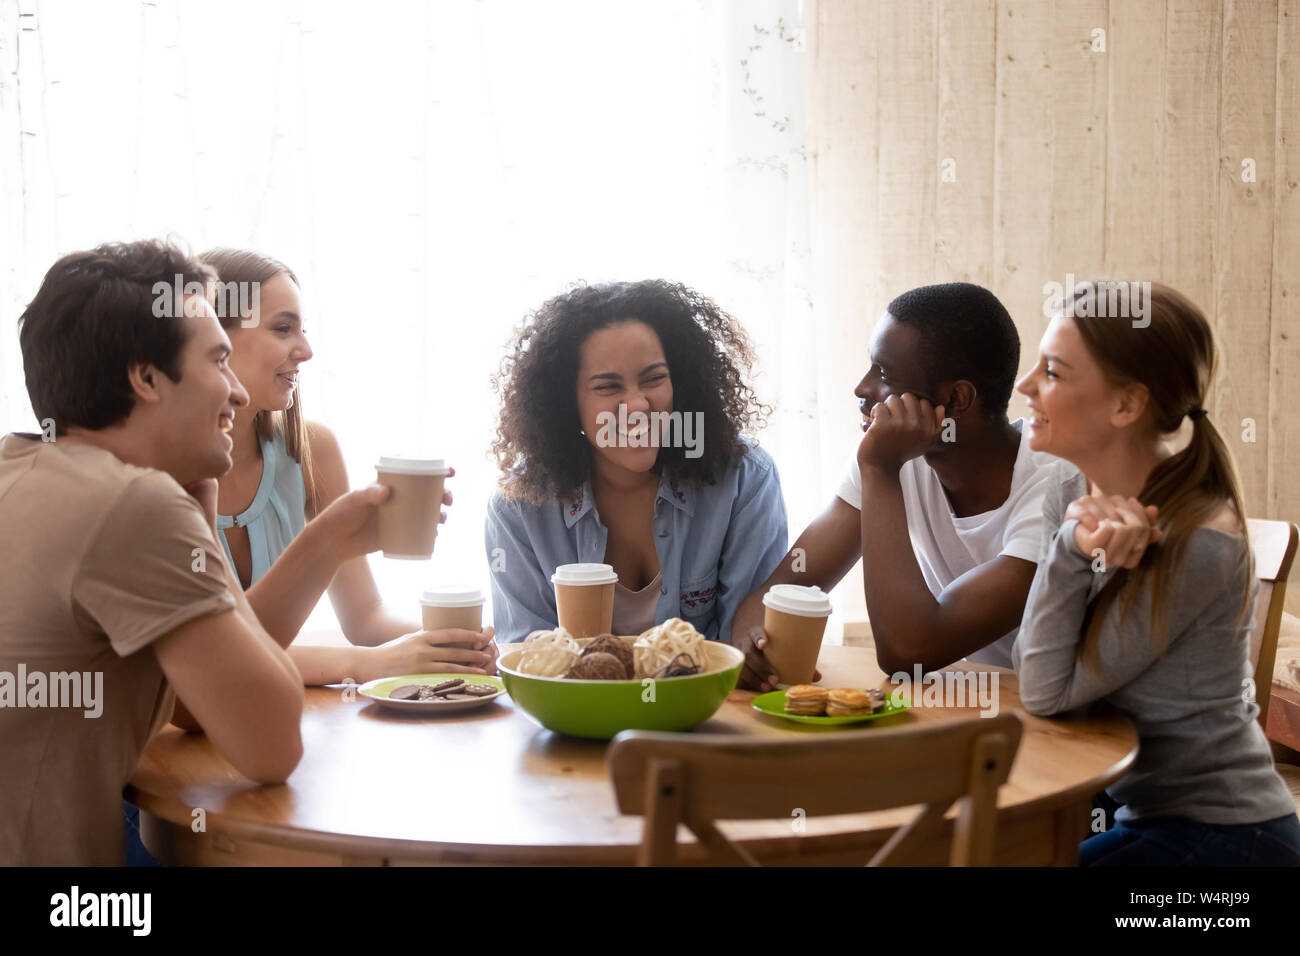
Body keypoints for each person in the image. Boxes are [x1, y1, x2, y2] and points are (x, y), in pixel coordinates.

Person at [2, 241, 324, 863]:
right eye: (218, 361)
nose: (235, 393)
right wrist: (201, 528)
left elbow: (200, 708)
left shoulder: (21, 465)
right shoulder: (132, 506)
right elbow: (273, 744)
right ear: (146, 379)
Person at [1012, 280, 1300, 866]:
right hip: (1155, 824)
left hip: (1231, 845)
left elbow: (1046, 691)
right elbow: (1041, 676)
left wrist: (1069, 550)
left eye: (1055, 372)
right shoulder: (1076, 499)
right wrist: (1072, 542)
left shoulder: (1197, 543)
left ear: (1126, 405)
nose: (1025, 386)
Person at [731, 282, 1077, 690]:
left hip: (1064, 719)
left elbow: (907, 652)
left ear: (957, 399)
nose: (860, 389)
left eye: (882, 373)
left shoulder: (1058, 490)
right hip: (981, 701)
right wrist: (750, 640)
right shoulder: (900, 456)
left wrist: (879, 469)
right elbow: (787, 583)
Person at [199, 248, 497, 684]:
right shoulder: (175, 472)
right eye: (283, 329)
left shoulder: (310, 449)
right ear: (212, 338)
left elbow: (366, 618)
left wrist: (451, 647)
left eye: (303, 330)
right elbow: (214, 658)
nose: (306, 351)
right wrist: (364, 664)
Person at [485, 280, 787, 643]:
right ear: (566, 403)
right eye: (607, 387)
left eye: (654, 378)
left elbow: (745, 649)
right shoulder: (519, 509)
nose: (639, 406)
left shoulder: (744, 479)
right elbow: (529, 660)